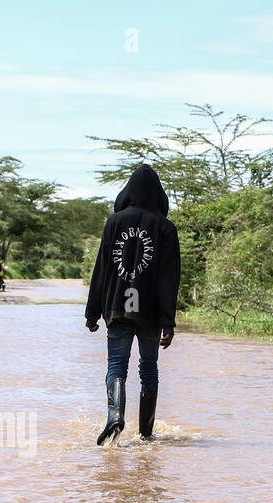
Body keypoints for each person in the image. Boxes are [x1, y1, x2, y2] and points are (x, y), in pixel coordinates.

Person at [84, 164, 181, 445]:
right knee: (148, 368)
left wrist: (92, 313)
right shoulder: (166, 228)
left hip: (117, 307)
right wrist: (168, 321)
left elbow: (101, 269)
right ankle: (146, 434)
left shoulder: (114, 222)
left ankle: (115, 417)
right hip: (149, 312)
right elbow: (168, 279)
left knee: (116, 366)